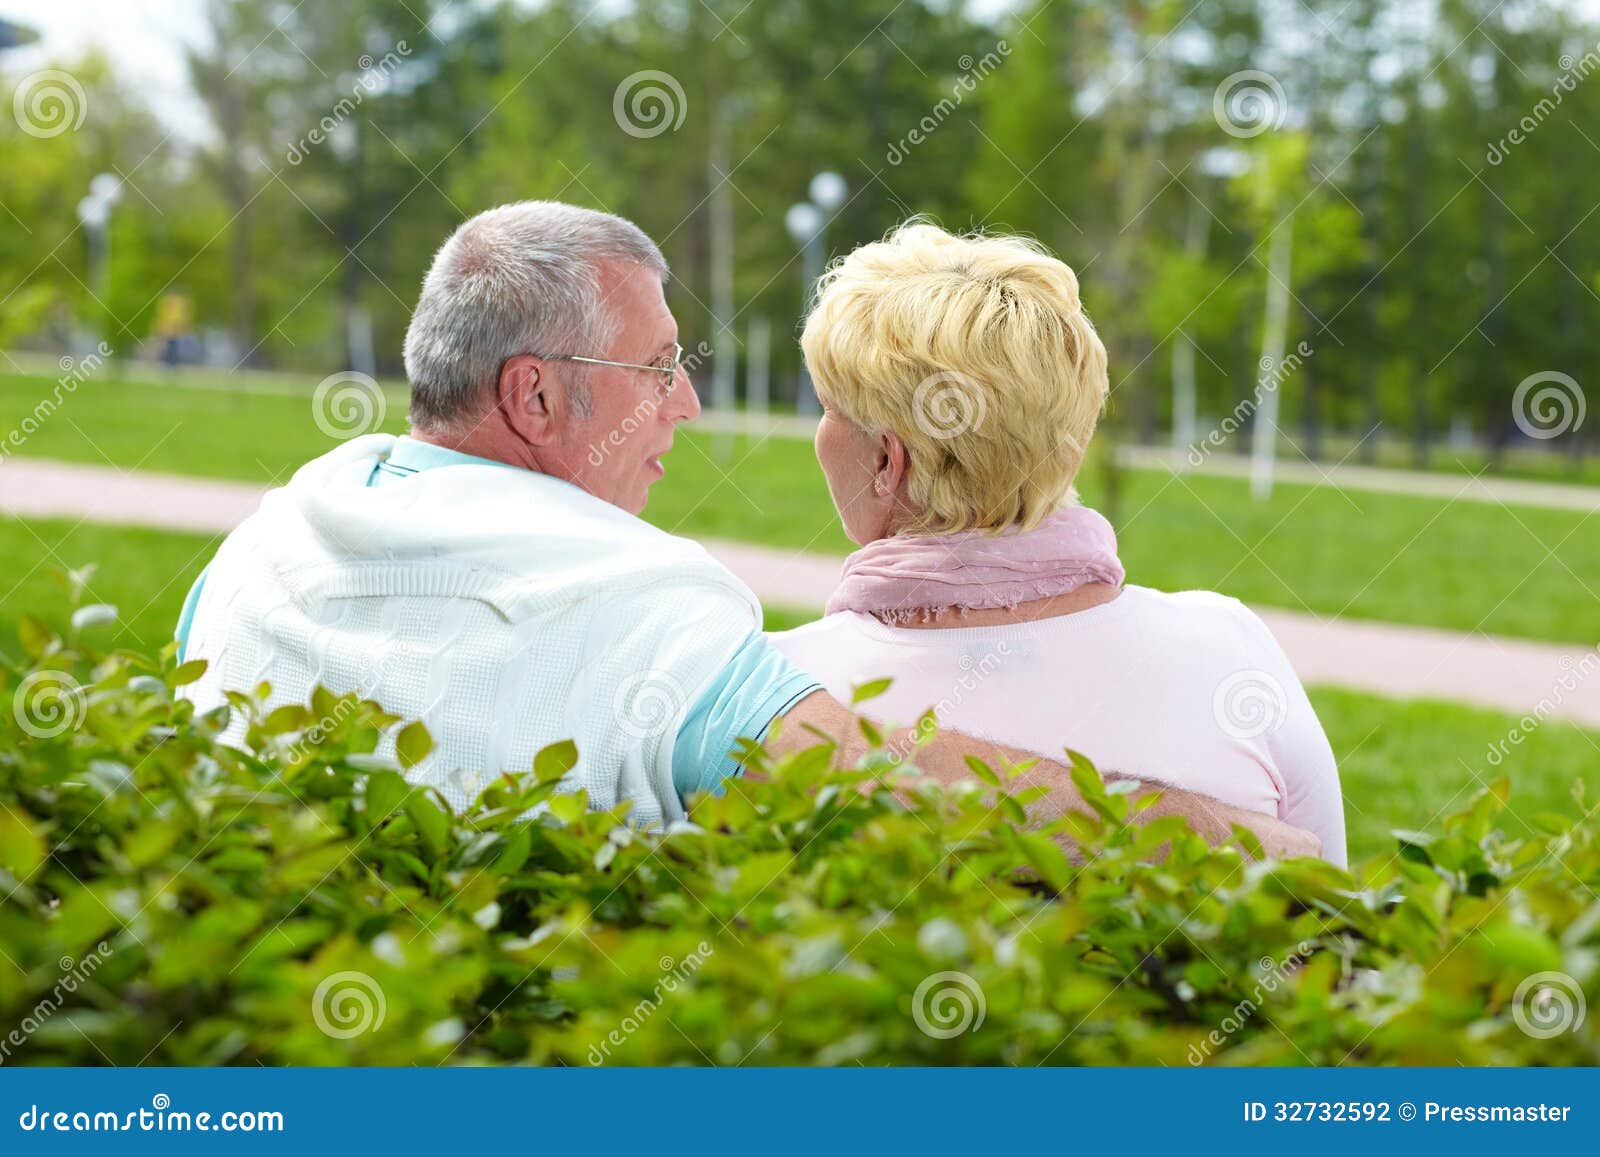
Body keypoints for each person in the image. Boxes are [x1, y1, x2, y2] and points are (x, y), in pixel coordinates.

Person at [176, 200, 1319, 856]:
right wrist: (1225, 842)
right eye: (658, 367)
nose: (687, 402)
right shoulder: (646, 608)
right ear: (535, 395)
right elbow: (885, 780)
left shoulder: (254, 553)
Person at [768, 222, 1347, 866]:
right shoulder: (1230, 651)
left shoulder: (780, 694)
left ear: (886, 461)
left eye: (828, 408)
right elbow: (1330, 897)